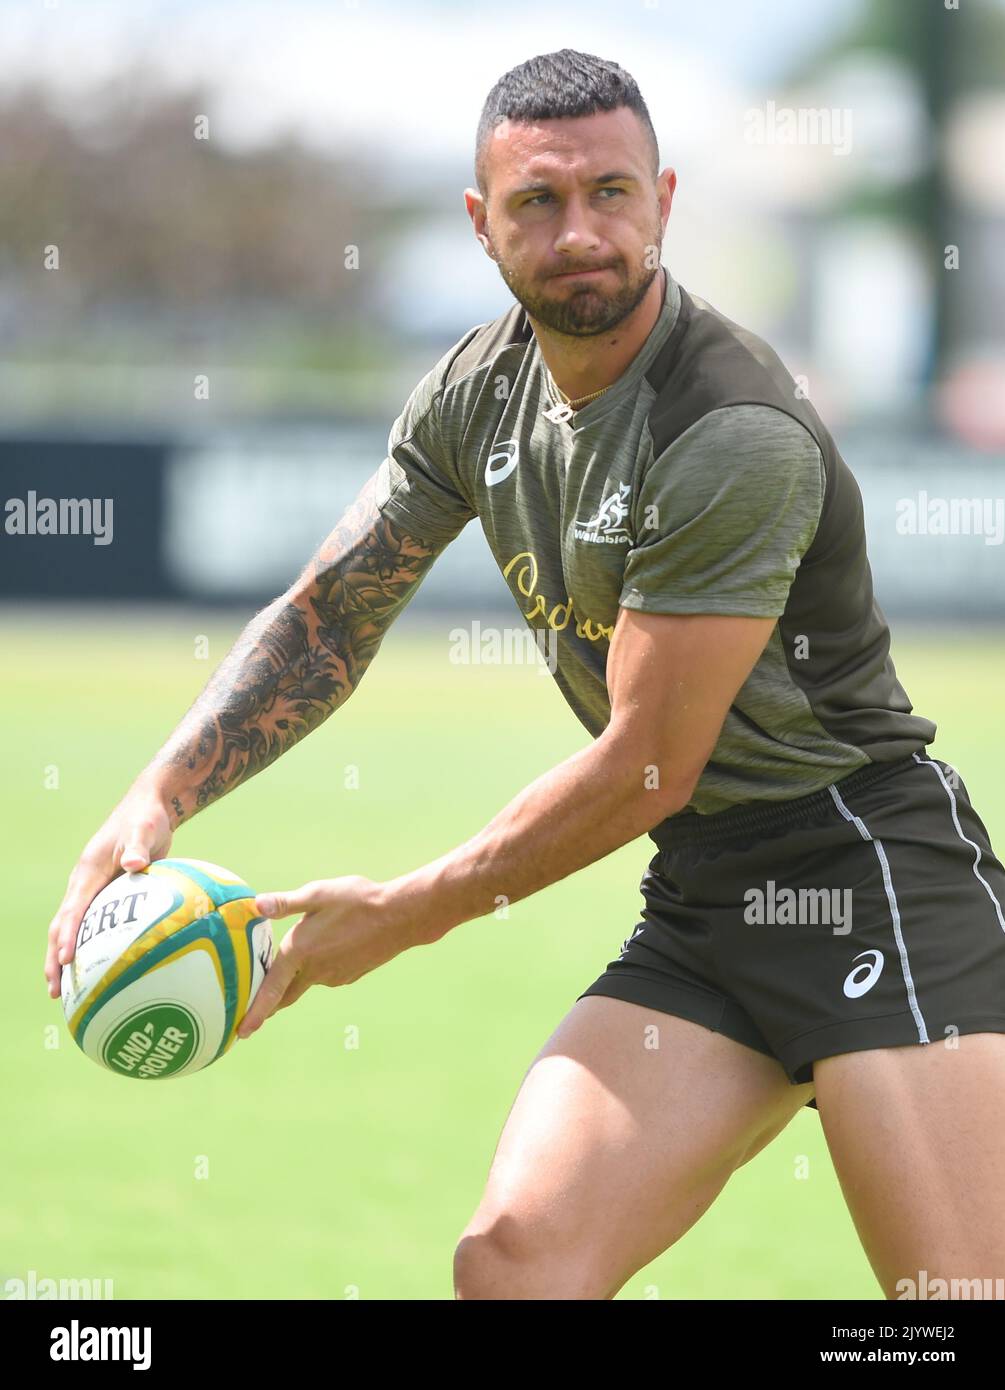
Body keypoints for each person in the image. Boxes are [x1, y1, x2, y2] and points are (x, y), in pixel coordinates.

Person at [45, 49, 1005, 1302]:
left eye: (612, 193)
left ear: (664, 200)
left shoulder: (728, 428)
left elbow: (645, 766)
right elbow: (331, 616)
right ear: (480, 222)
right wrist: (159, 792)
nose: (581, 233)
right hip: (708, 896)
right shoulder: (478, 388)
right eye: (537, 202)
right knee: (516, 1270)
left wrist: (407, 910)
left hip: (869, 878)